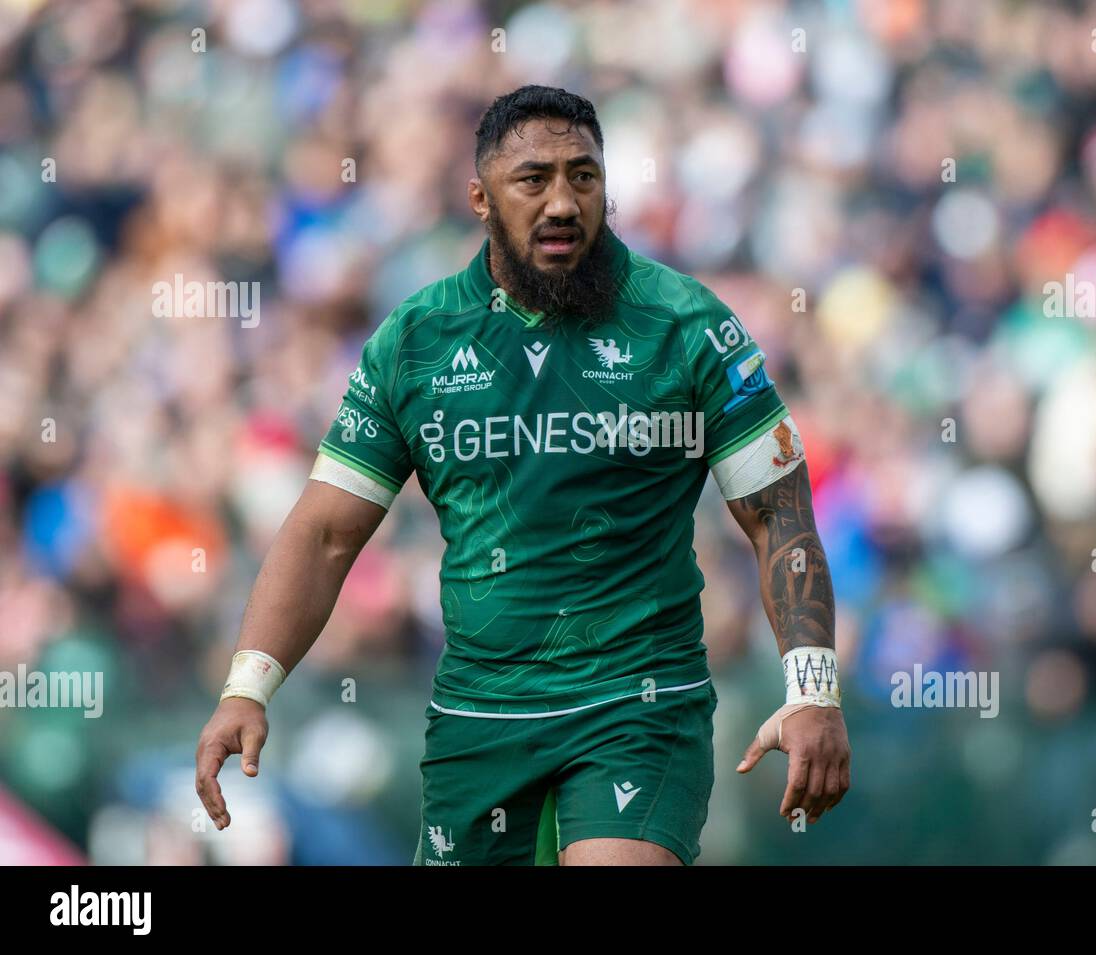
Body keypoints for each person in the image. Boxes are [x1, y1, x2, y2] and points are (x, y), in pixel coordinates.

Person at [195, 85, 850, 866]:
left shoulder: (690, 326)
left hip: (637, 706)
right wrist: (248, 686)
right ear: (480, 197)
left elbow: (779, 513)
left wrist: (812, 688)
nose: (564, 201)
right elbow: (328, 531)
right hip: (479, 715)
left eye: (584, 175)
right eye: (533, 179)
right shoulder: (417, 339)